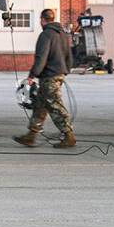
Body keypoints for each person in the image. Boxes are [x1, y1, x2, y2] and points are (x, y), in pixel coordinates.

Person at [13, 8, 76, 148]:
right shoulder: (63, 35)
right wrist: (65, 71)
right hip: (58, 74)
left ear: (42, 19)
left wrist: (32, 75)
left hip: (49, 77)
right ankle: (31, 135)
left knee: (55, 106)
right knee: (40, 106)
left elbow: (41, 57)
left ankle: (69, 135)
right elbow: (69, 56)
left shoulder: (46, 35)